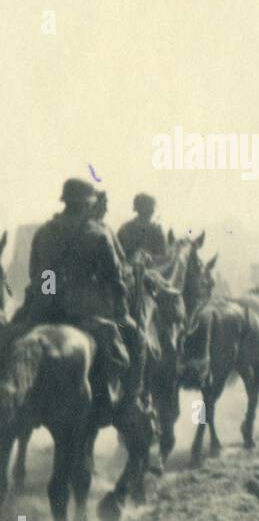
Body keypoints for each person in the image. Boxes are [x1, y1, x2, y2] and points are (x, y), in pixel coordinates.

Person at [14, 178, 137, 421]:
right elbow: (114, 278)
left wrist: (49, 298)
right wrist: (122, 312)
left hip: (46, 309)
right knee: (137, 340)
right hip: (87, 312)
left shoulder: (45, 231)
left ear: (66, 202)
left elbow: (41, 273)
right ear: (88, 204)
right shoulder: (98, 232)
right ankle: (129, 405)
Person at [118, 193, 168, 263]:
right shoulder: (125, 229)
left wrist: (150, 258)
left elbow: (162, 255)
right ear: (138, 209)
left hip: (152, 269)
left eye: (151, 208)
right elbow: (118, 254)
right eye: (146, 208)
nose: (150, 211)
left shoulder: (157, 230)